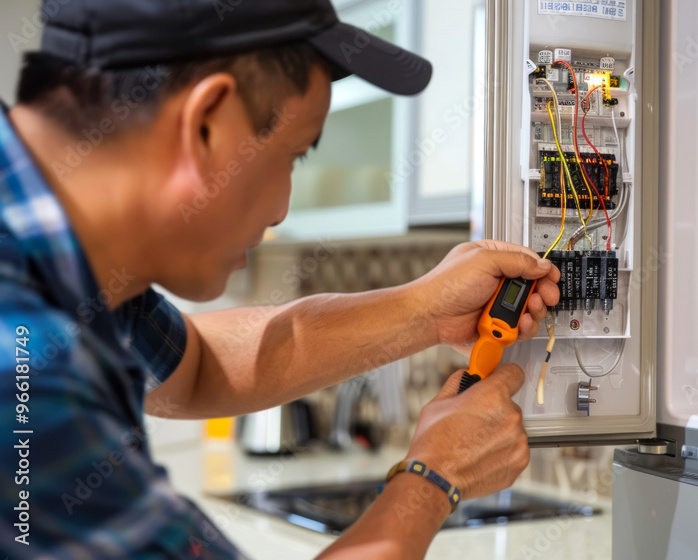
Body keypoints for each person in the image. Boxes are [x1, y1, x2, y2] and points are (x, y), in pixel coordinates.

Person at [0, 0, 560, 558]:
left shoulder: (63, 261)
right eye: (293, 155)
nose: (280, 211)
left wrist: (426, 311)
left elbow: (197, 369)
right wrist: (435, 477)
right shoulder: (25, 370)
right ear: (207, 125)